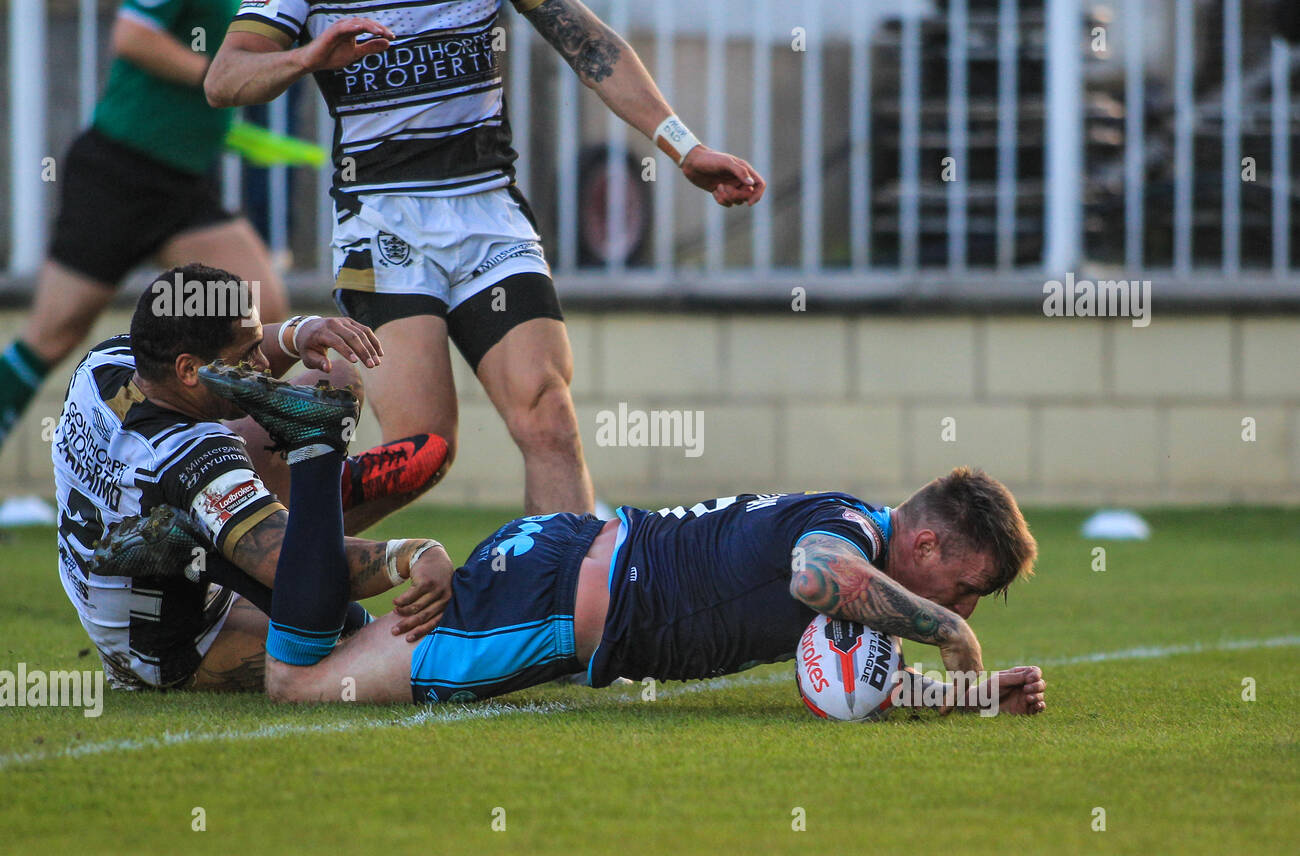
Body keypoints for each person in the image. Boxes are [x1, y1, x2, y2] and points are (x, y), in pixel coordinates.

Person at [105, 363, 1046, 716]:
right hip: (548, 607)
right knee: (299, 684)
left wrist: (973, 699)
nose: (964, 608)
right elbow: (815, 579)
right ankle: (311, 453)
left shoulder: (860, 548)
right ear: (926, 549)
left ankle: (218, 553)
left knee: (344, 628)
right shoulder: (844, 535)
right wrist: (947, 632)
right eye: (968, 587)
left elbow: (856, 682)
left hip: (557, 562)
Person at [203, 0, 768, 517]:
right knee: (422, 452)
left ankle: (562, 609)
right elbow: (224, 80)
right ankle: (271, 552)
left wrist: (684, 146)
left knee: (548, 420)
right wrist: (307, 57)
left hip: (489, 211)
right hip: (382, 221)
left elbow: (589, 44)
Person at [60, 263, 453, 691]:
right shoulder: (196, 456)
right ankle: (306, 488)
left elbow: (227, 356)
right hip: (167, 642)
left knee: (331, 377)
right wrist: (413, 554)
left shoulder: (108, 361)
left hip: (127, 557)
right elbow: (298, 572)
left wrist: (297, 332)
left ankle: (294, 500)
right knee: (341, 655)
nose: (264, 364)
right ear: (189, 370)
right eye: (248, 355)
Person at [0, 0, 287, 450]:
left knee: (259, 314)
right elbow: (133, 37)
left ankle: (205, 468)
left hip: (185, 182)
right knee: (51, 337)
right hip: (121, 173)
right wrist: (217, 76)